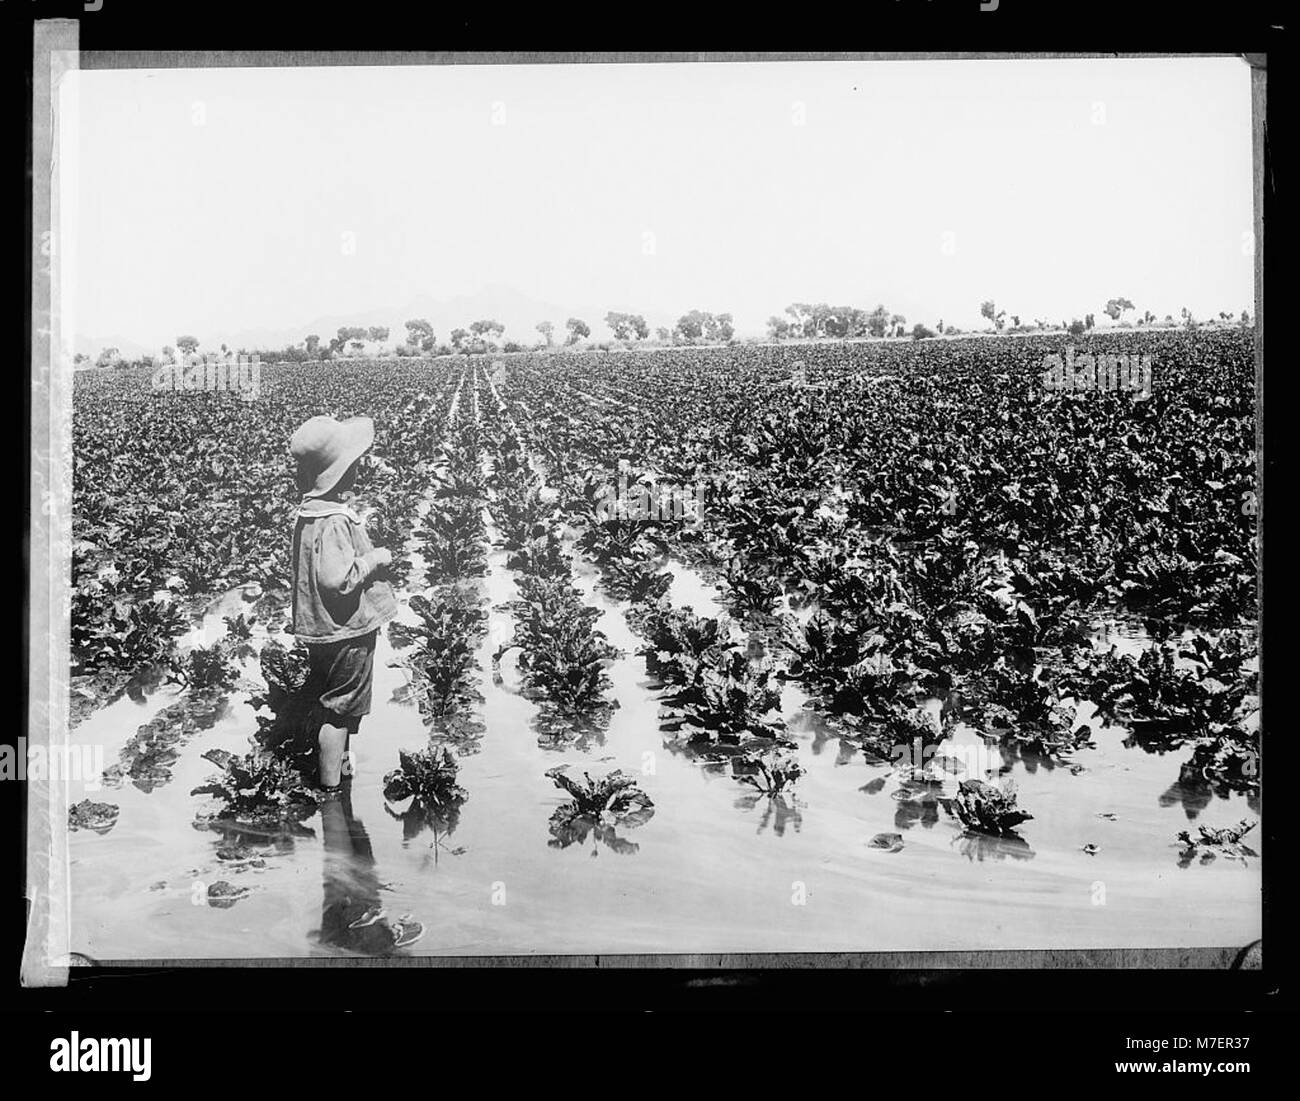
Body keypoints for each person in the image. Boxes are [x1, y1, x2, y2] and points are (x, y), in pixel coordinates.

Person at [289, 415, 398, 792]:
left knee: (337, 701)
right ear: (341, 474)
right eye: (353, 465)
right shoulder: (334, 521)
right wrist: (374, 559)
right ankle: (332, 790)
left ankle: (342, 771)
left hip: (322, 629)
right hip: (347, 630)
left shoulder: (311, 513)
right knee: (340, 709)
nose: (358, 469)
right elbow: (337, 579)